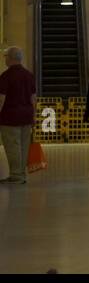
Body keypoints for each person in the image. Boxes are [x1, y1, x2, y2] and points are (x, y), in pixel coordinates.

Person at [0, 47, 37, 185]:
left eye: (6, 57)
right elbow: (34, 98)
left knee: (13, 146)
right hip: (26, 116)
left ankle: (16, 175)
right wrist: (34, 116)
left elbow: (1, 99)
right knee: (23, 146)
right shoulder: (29, 75)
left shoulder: (5, 76)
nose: (5, 59)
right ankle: (21, 174)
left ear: (11, 58)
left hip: (10, 118)